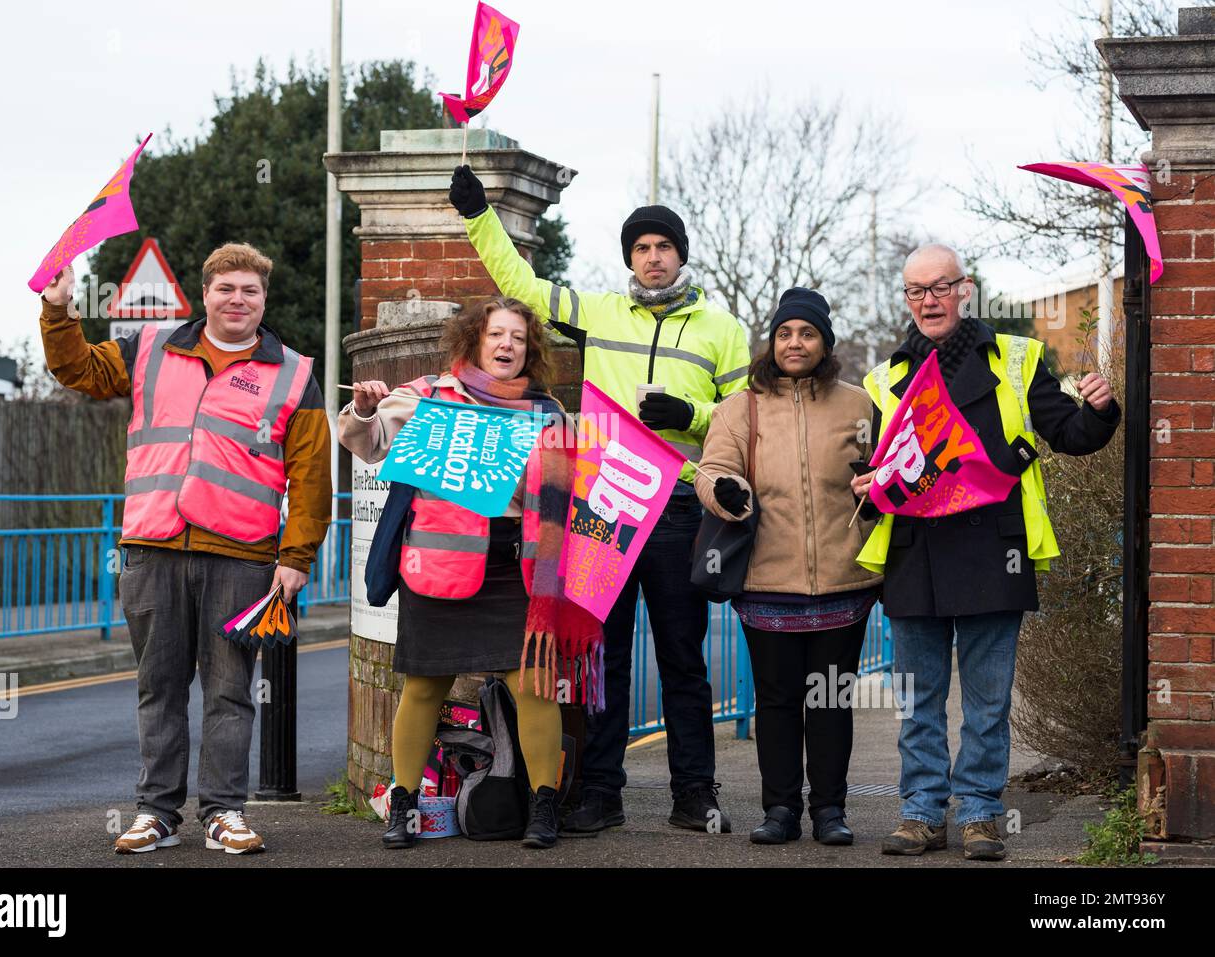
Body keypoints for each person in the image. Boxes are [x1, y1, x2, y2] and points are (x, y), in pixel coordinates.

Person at [449, 166, 751, 835]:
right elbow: (522, 286)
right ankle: (601, 794)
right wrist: (479, 216)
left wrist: (690, 412)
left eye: (662, 246)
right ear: (630, 260)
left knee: (682, 656)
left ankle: (694, 792)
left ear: (680, 254)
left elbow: (738, 418)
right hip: (604, 507)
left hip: (675, 506)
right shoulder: (600, 311)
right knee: (603, 657)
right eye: (640, 247)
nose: (651, 256)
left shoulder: (722, 328)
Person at [38, 245, 332, 855]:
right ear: (206, 294)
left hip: (243, 555)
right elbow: (78, 372)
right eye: (227, 288)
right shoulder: (151, 349)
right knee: (160, 686)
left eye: (250, 291)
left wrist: (296, 557)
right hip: (153, 547)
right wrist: (59, 309)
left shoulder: (296, 374)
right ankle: (156, 813)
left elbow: (311, 478)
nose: (238, 300)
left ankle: (224, 813)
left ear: (264, 299)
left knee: (229, 689)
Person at [850, 243, 1120, 861]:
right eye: (916, 291)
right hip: (915, 554)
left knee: (987, 703)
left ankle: (979, 815)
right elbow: (880, 465)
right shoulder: (887, 377)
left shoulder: (1018, 359)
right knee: (918, 702)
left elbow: (1070, 434)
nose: (928, 301)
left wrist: (1102, 411)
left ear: (965, 289)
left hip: (994, 549)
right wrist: (864, 479)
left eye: (939, 287)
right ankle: (920, 814)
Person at [339, 296, 600, 850]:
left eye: (518, 338)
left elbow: (570, 498)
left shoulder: (548, 413)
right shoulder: (429, 396)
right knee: (423, 686)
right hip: (437, 566)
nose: (507, 345)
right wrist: (365, 409)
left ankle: (542, 806)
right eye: (496, 334)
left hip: (517, 572)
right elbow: (367, 443)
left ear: (531, 350)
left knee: (534, 688)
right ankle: (403, 805)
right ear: (474, 341)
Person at [695, 288, 882, 845]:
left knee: (829, 700)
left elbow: (886, 470)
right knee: (776, 703)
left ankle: (830, 811)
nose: (794, 342)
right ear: (771, 341)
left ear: (824, 342)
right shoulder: (737, 407)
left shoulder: (860, 404)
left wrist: (876, 487)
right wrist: (725, 491)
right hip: (765, 580)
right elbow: (709, 472)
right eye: (784, 333)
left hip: (845, 580)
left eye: (806, 333)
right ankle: (779, 810)